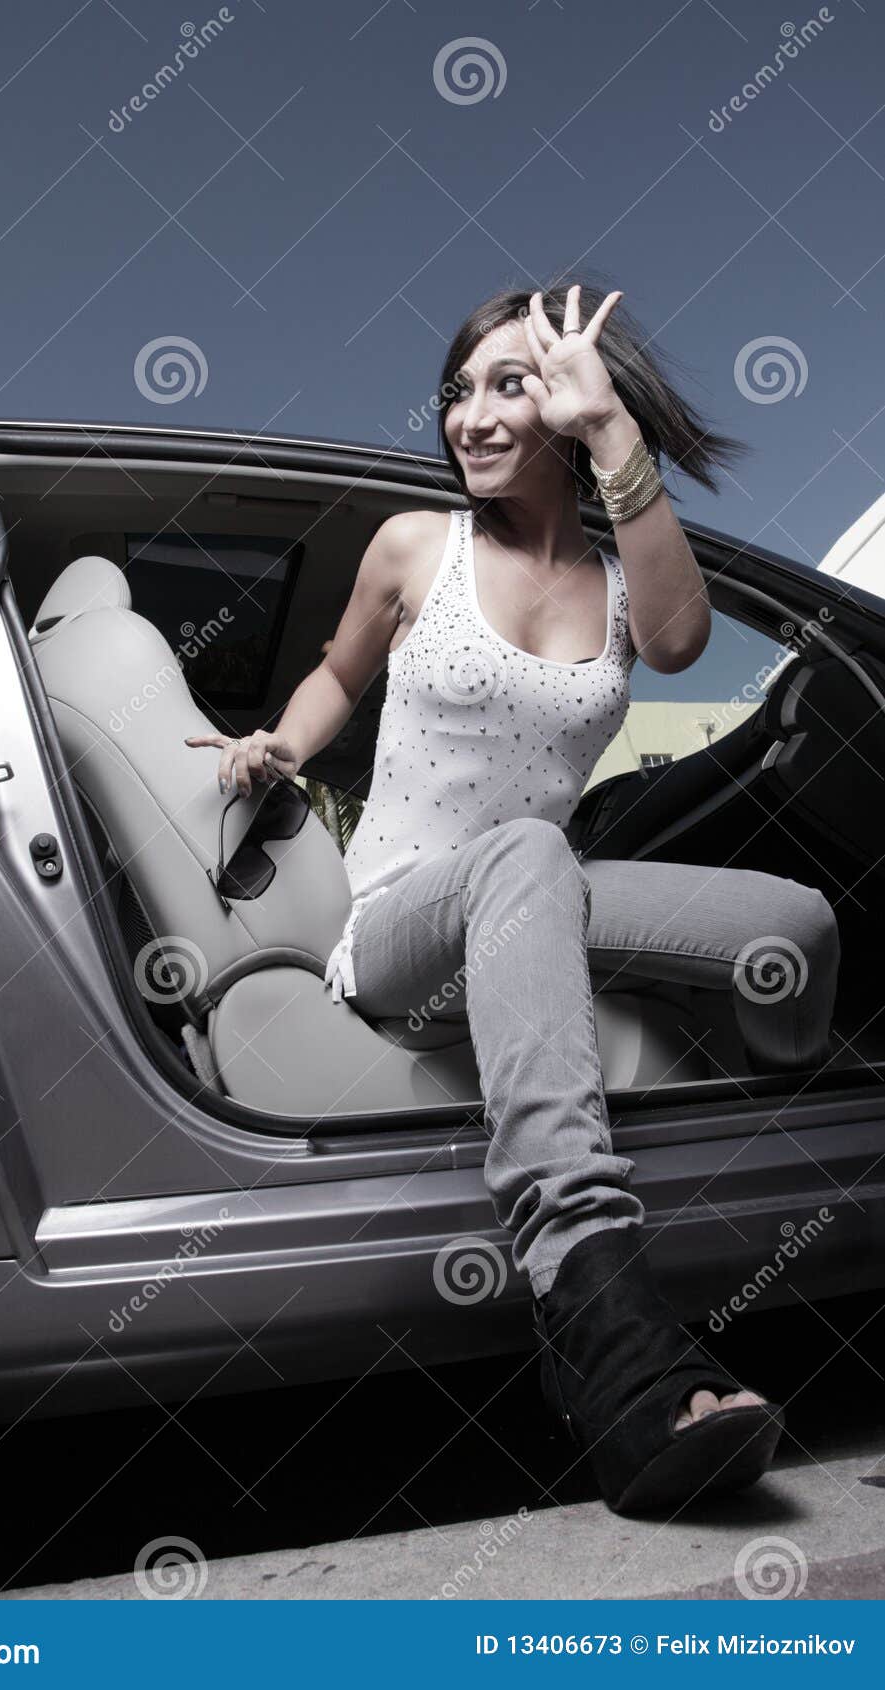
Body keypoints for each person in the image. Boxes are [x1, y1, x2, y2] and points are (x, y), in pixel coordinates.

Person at [186, 278, 840, 1514]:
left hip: (534, 899)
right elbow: (338, 671)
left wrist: (611, 436)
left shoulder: (615, 575)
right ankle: (601, 1317)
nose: (471, 419)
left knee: (791, 925)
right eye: (458, 394)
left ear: (573, 402)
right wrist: (277, 739)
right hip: (397, 927)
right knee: (528, 859)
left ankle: (778, 1166)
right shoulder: (412, 545)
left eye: (509, 387)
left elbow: (689, 640)